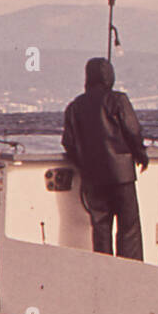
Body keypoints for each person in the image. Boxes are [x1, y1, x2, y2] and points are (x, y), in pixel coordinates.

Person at [62, 57, 148, 259]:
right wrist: (140, 154)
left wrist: (84, 164)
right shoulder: (118, 99)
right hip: (122, 175)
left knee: (100, 227)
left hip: (93, 177)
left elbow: (68, 142)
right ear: (110, 76)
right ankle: (130, 272)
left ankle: (103, 272)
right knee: (129, 227)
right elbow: (133, 131)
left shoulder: (74, 106)